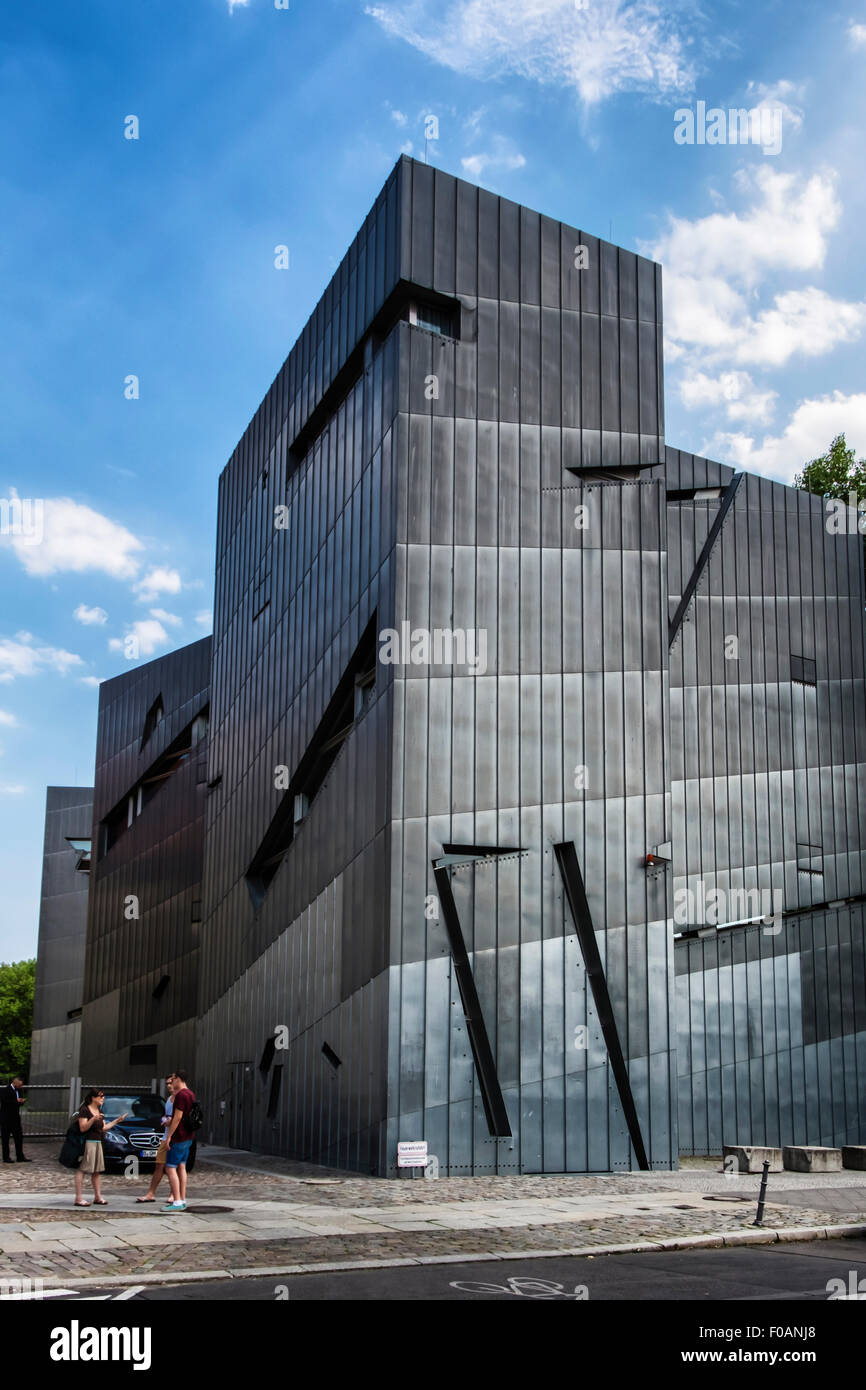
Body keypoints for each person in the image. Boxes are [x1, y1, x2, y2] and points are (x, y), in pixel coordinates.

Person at [73, 1089, 128, 1207]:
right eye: (100, 1096)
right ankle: (78, 1198)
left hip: (98, 1142)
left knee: (97, 1171)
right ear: (93, 1098)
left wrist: (117, 1121)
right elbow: (83, 1128)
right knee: (82, 1169)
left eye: (103, 1096)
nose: (103, 1098)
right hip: (88, 1143)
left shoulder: (99, 1110)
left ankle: (98, 1197)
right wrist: (93, 1119)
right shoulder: (84, 1110)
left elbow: (103, 1128)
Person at [136, 1074, 175, 1203]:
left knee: (173, 1166)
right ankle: (151, 1193)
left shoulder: (180, 1098)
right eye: (167, 1084)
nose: (169, 1085)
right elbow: (164, 1116)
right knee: (159, 1165)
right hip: (165, 1136)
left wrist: (171, 1121)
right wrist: (165, 1120)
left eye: (171, 1083)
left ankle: (174, 1193)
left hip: (175, 1137)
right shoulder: (169, 1099)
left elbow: (180, 1118)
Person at [162, 1071, 195, 1212]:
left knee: (170, 1167)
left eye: (173, 1079)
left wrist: (169, 1136)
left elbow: (177, 1117)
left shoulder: (181, 1095)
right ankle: (182, 1197)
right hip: (189, 1135)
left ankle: (177, 1201)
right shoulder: (190, 1094)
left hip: (179, 1136)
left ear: (179, 1079)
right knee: (182, 1166)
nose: (172, 1082)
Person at [1, 1077, 30, 1163]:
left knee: (19, 1137)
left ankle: (20, 1156)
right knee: (5, 1139)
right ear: (15, 1083)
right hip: (6, 1119)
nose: (21, 1086)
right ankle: (6, 1157)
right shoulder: (5, 1090)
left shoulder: (19, 1090)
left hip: (16, 1118)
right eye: (20, 1085)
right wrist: (17, 1101)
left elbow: (18, 1103)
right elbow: (5, 1101)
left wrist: (21, 1101)